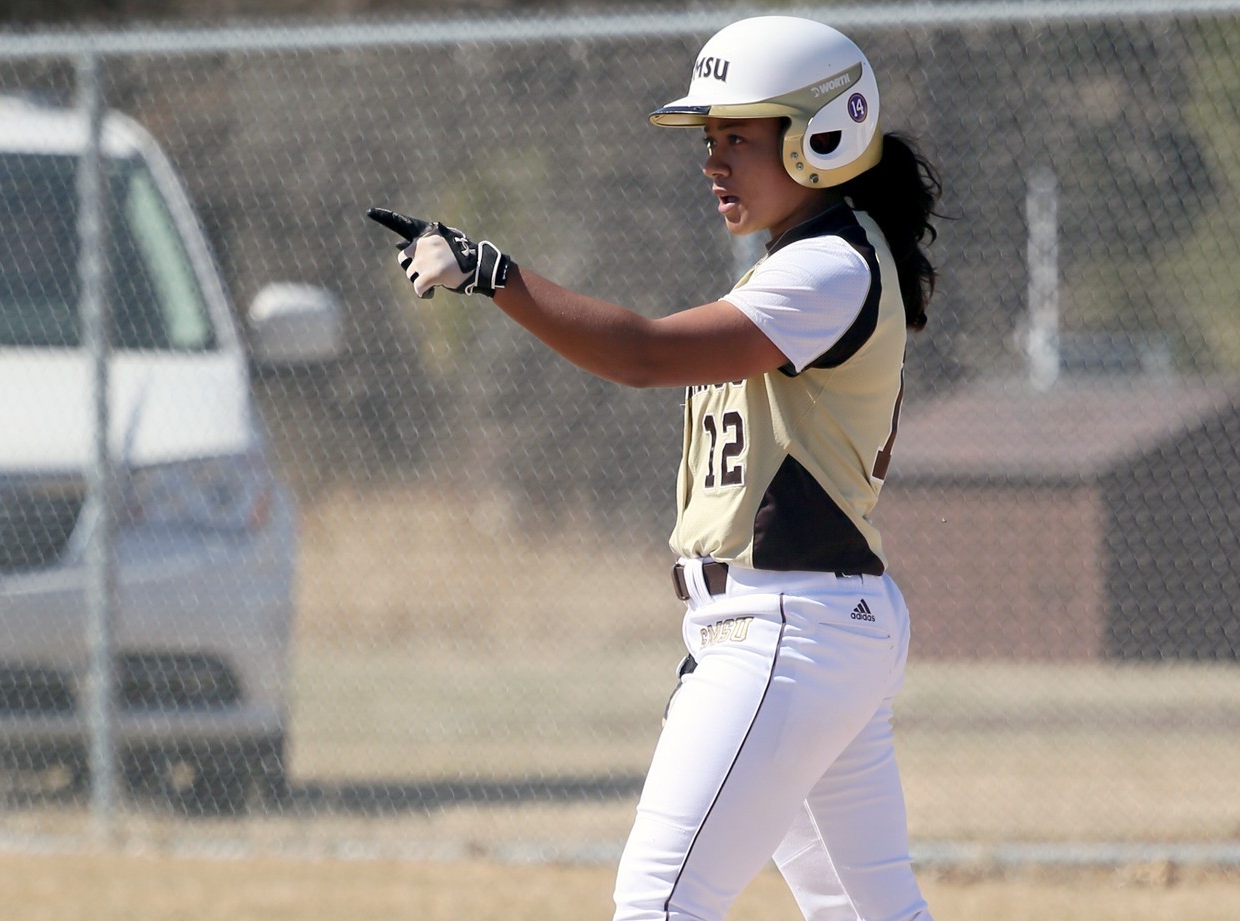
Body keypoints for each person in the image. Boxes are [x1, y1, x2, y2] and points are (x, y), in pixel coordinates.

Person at [368, 15, 940, 921]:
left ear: (823, 134)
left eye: (739, 138)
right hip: (801, 623)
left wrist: (495, 273)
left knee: (659, 903)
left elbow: (639, 354)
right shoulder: (814, 262)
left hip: (788, 623)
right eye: (709, 140)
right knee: (868, 913)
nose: (714, 161)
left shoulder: (829, 266)